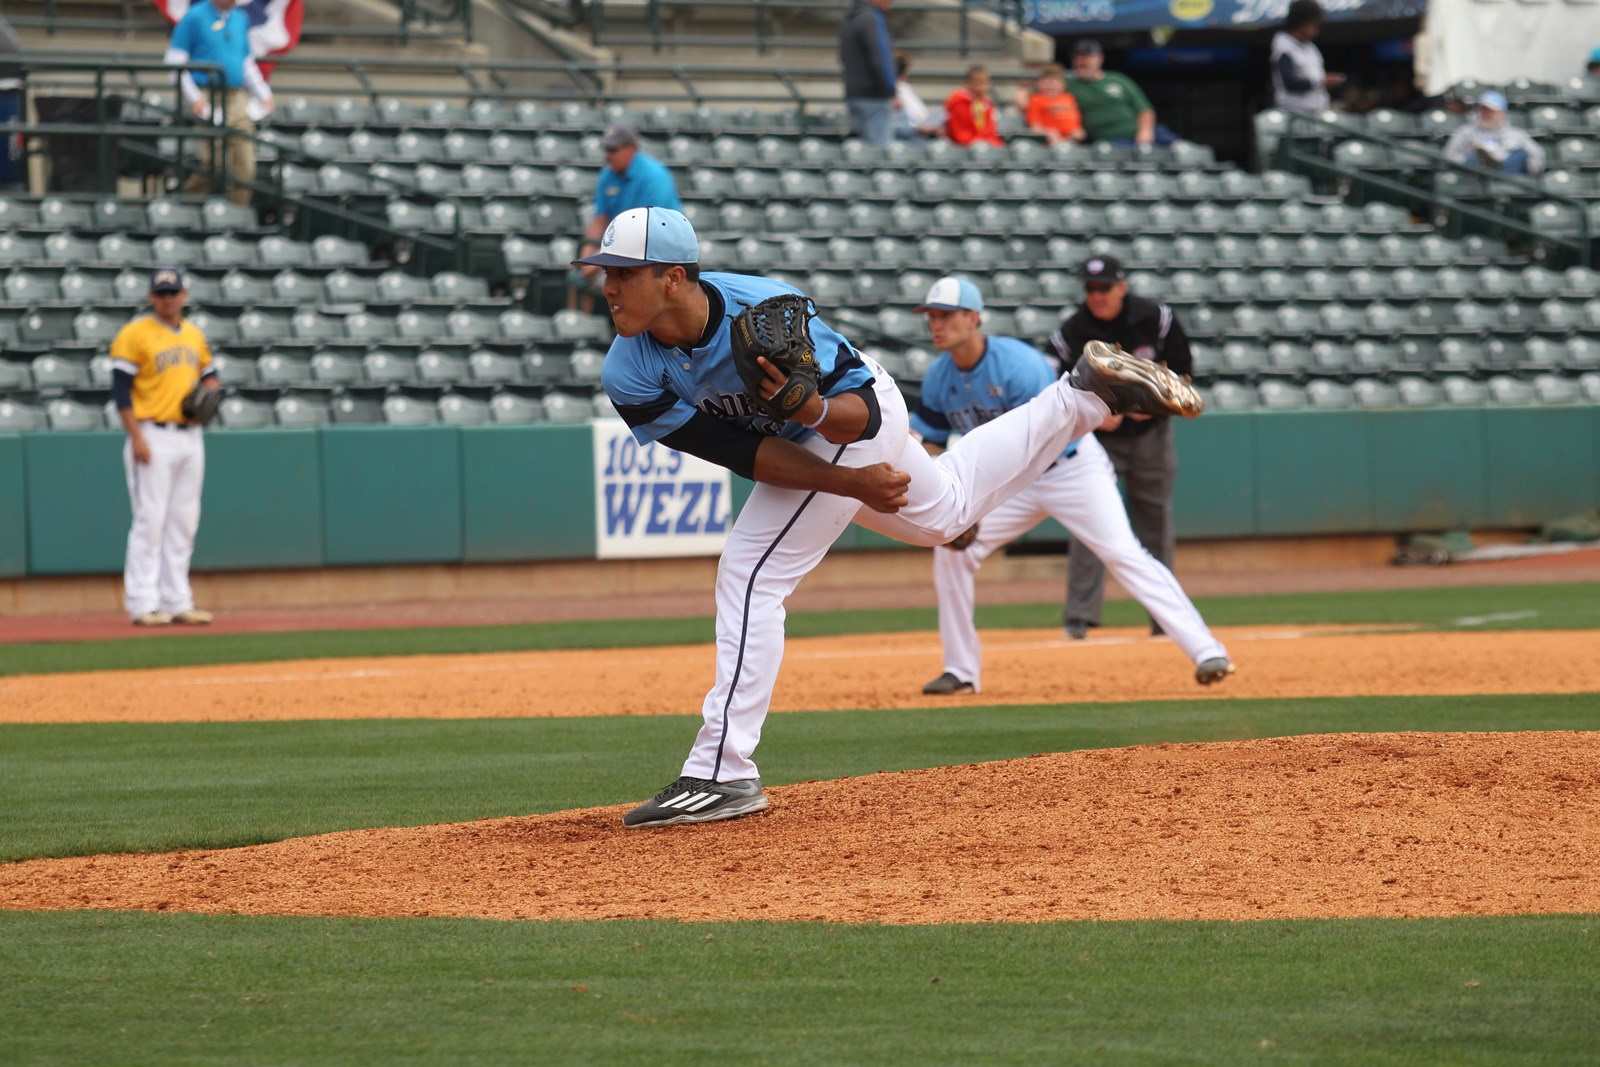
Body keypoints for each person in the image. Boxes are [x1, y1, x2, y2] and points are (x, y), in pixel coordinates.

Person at [578, 207, 1204, 828]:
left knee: (749, 575)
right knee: (947, 512)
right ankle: (1080, 394)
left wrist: (816, 412)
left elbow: (864, 412)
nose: (605, 285)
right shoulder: (627, 371)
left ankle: (722, 769)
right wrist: (850, 484)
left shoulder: (761, 310)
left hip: (858, 413)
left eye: (621, 271)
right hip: (811, 450)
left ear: (673, 278)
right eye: (603, 270)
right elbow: (741, 453)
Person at [910, 276, 1232, 696]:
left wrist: (978, 504)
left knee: (1122, 552)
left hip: (1071, 469)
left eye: (946, 315)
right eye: (931, 316)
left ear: (974, 318)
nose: (935, 324)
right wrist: (956, 507)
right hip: (1015, 484)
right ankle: (961, 670)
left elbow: (1055, 429)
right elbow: (931, 438)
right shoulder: (938, 377)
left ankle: (1206, 649)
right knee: (951, 551)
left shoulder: (1018, 365)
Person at [1045, 256, 1192, 642]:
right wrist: (1089, 413)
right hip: (1098, 442)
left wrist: (1157, 403)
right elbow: (1052, 383)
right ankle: (1079, 617)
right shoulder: (1073, 330)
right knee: (1088, 525)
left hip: (1151, 438)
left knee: (1155, 526)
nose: (1097, 296)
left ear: (1121, 288)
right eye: (1091, 289)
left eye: (1104, 288)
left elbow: (1184, 369)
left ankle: (1166, 619)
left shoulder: (1156, 318)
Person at [111, 268, 220, 627]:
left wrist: (210, 389)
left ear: (184, 295)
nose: (168, 298)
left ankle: (177, 601)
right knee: (150, 520)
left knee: (184, 521)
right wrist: (136, 436)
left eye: (173, 292)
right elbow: (120, 389)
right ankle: (142, 603)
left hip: (190, 436)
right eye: (162, 293)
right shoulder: (134, 334)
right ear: (151, 297)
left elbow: (210, 374)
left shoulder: (193, 334)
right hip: (151, 433)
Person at [163, 0, 275, 206]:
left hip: (235, 96)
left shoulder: (240, 18)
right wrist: (194, 97)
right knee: (213, 165)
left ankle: (237, 217)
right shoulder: (195, 17)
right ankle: (184, 209)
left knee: (245, 167)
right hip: (207, 95)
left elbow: (245, 60)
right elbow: (174, 61)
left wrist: (263, 92)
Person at [571, 124, 681, 310]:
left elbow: (648, 232)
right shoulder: (608, 174)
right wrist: (587, 260)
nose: (607, 155)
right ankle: (580, 329)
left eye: (613, 149)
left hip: (657, 254)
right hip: (622, 249)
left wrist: (597, 265)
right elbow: (599, 219)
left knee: (622, 280)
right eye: (606, 149)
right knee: (577, 278)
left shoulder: (654, 176)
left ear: (631, 149)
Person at [1067, 39, 1175, 146]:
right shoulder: (1068, 84)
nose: (1080, 61)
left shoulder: (1118, 79)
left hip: (1145, 133)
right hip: (1111, 142)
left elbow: (1145, 110)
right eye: (1076, 57)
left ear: (1100, 59)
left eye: (1086, 57)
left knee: (1181, 149)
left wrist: (1145, 131)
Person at [1442, 91, 1545, 176]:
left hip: (1509, 173)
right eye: (1483, 110)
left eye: (1491, 111)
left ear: (1502, 113)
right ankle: (1487, 164)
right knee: (1473, 158)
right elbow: (1449, 156)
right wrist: (1467, 161)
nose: (1486, 114)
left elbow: (1537, 155)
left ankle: (1497, 169)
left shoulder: (1516, 134)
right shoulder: (1466, 132)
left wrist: (1532, 169)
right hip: (1476, 176)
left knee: (1520, 154)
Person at [1271, 0, 1346, 115]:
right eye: (1313, 25)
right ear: (1300, 23)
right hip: (1293, 113)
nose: (1316, 31)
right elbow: (1289, 83)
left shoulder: (1311, 48)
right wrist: (1322, 81)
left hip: (1316, 111)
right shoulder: (1284, 47)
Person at [839, 0, 897, 147]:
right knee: (879, 155)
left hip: (854, 95)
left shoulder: (850, 17)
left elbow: (842, 57)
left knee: (865, 155)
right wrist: (891, 91)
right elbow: (881, 58)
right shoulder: (871, 17)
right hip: (875, 98)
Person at [1021, 64, 1085, 146]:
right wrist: (1047, 133)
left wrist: (1078, 131)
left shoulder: (1069, 98)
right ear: (1039, 84)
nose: (1051, 86)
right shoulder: (1036, 100)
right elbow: (1035, 127)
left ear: (1063, 84)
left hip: (1072, 140)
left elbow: (1077, 122)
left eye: (1055, 82)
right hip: (1050, 142)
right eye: (1047, 82)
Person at [944, 65, 1005, 147]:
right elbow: (960, 134)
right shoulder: (959, 103)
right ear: (968, 82)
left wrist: (995, 144)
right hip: (964, 149)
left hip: (984, 145)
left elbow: (990, 131)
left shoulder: (987, 104)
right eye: (979, 81)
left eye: (986, 81)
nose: (983, 85)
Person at [892, 52, 944, 142]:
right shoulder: (889, 93)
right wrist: (917, 129)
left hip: (922, 136)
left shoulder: (906, 88)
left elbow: (922, 114)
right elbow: (893, 127)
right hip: (908, 140)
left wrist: (934, 127)